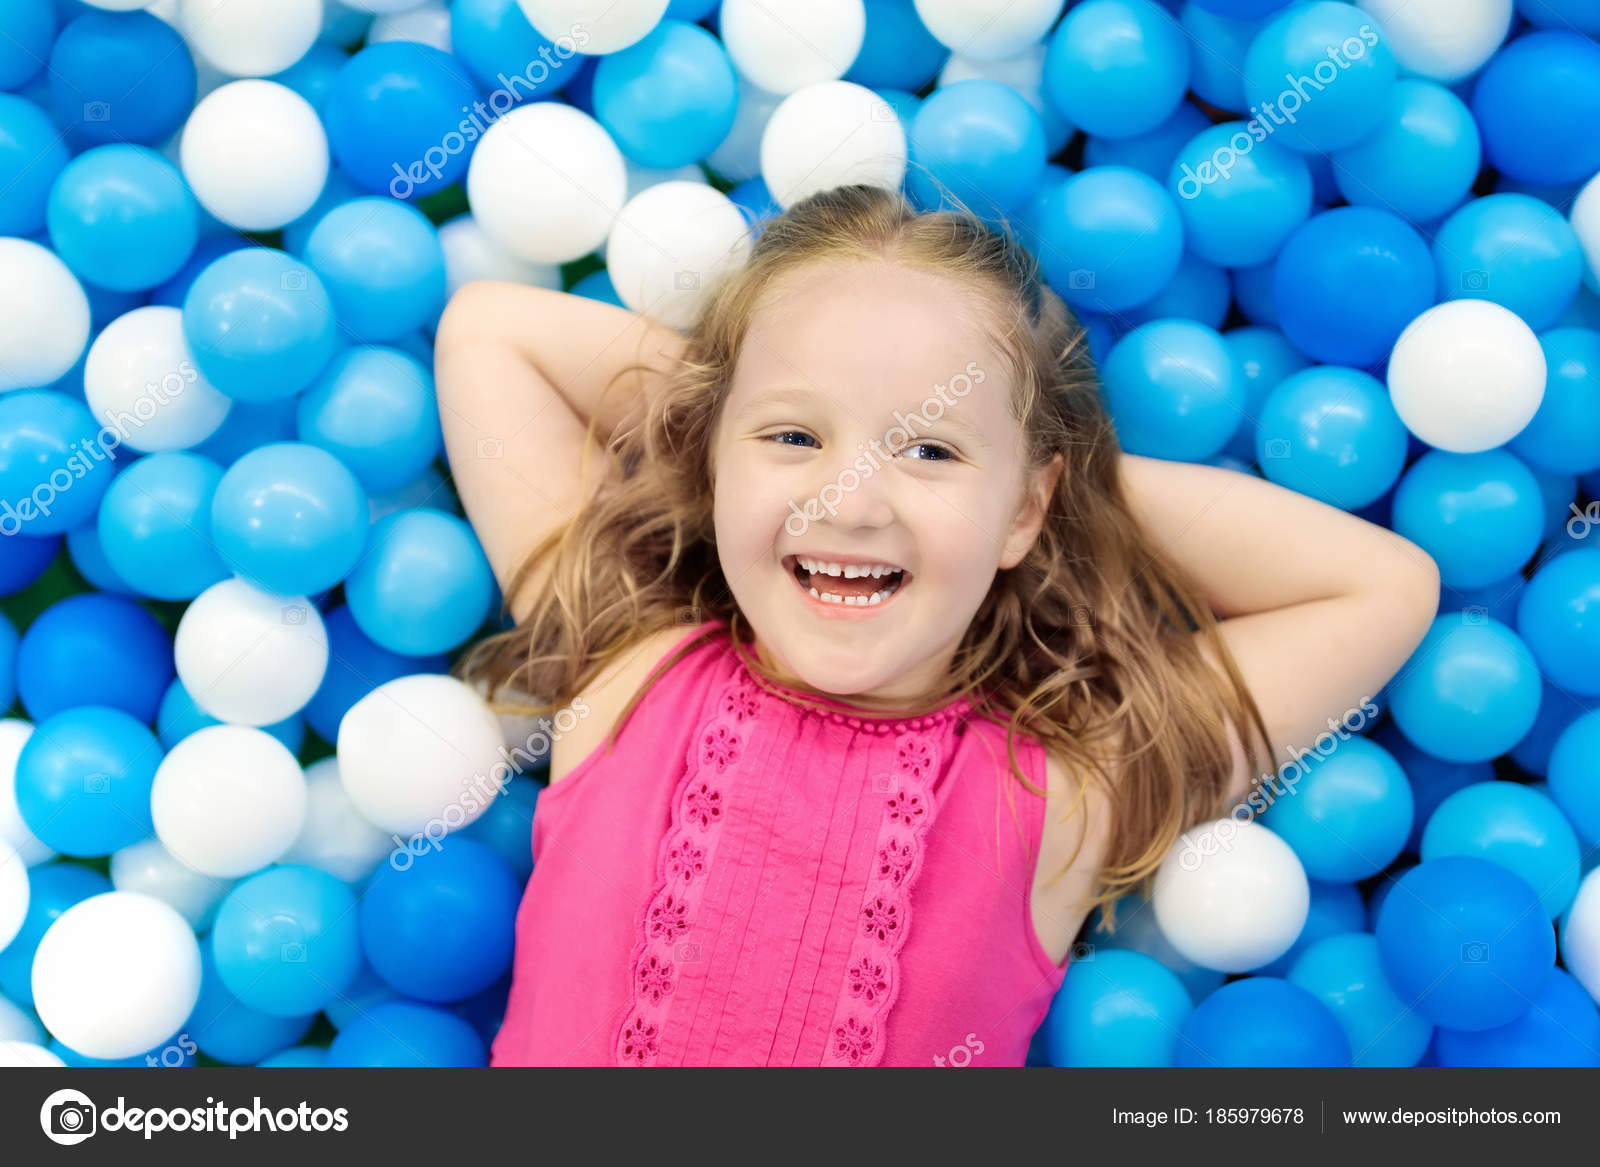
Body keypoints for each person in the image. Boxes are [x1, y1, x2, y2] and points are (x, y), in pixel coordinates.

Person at [433, 182, 1440, 1067]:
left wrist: (1049, 479)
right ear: (708, 455)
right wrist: (728, 404)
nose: (852, 500)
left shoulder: (1059, 793)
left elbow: (1378, 587)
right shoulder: (634, 667)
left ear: (1023, 512)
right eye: (792, 435)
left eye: (928, 453)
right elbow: (488, 332)